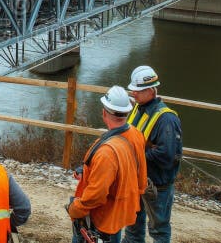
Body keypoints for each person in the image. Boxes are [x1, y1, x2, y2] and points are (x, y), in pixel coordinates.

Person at [67, 86, 147, 243]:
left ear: (104, 113)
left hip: (100, 218)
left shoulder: (107, 152)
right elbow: (139, 175)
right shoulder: (135, 135)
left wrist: (76, 209)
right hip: (117, 213)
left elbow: (96, 195)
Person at [122, 65, 182, 243]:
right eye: (133, 90)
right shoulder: (138, 109)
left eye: (138, 91)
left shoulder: (167, 119)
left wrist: (137, 156)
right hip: (137, 180)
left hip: (157, 185)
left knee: (159, 230)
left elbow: (167, 154)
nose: (134, 94)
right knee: (132, 225)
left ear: (151, 90)